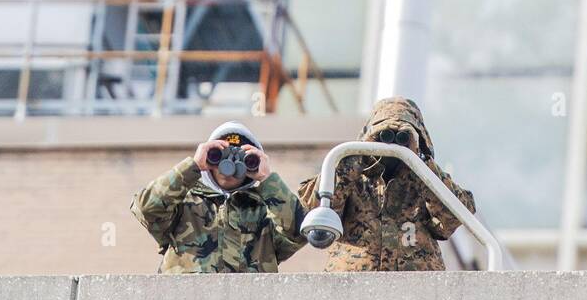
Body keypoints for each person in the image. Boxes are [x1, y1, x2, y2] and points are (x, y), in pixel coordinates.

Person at [297, 97, 476, 271]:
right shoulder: (352, 177)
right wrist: (358, 154)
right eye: (384, 135)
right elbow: (311, 205)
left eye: (403, 137)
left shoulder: (425, 179)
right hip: (353, 288)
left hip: (416, 291)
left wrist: (422, 164)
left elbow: (455, 217)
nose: (391, 144)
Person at [130, 121, 304, 273]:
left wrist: (268, 180)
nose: (227, 167)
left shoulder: (266, 208)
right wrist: (193, 166)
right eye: (218, 156)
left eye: (244, 160)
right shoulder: (183, 202)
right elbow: (146, 208)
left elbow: (300, 232)